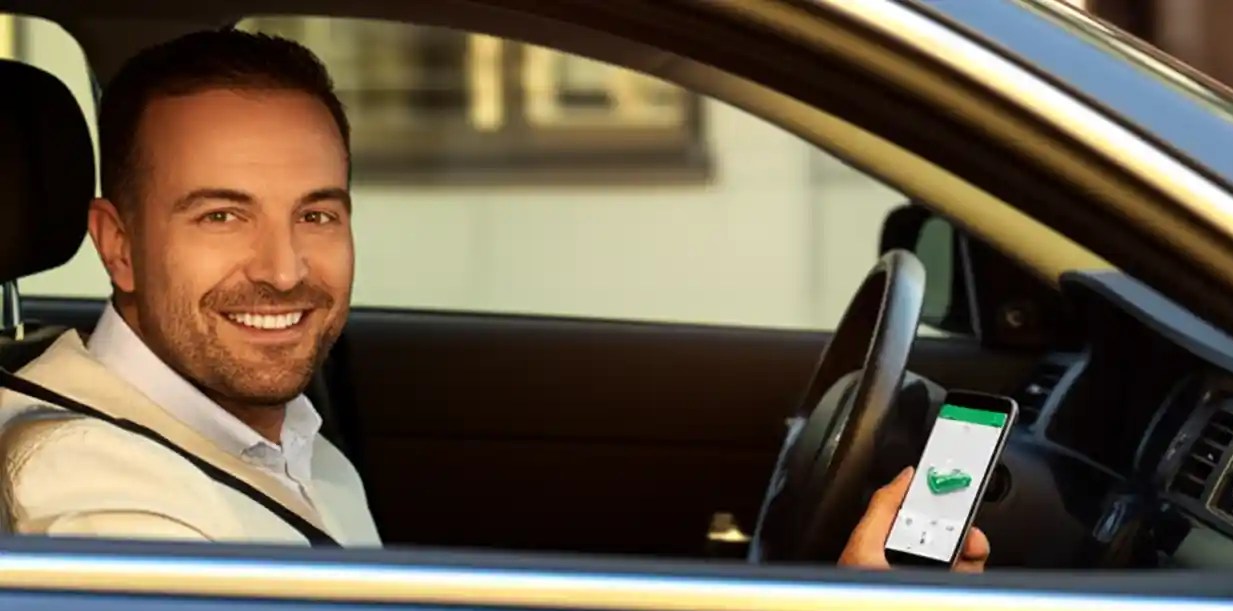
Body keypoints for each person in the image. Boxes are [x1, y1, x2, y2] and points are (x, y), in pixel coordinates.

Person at [0, 30, 987, 569]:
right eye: (221, 217)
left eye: (317, 214)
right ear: (117, 245)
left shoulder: (255, 426)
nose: (286, 269)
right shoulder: (95, 507)